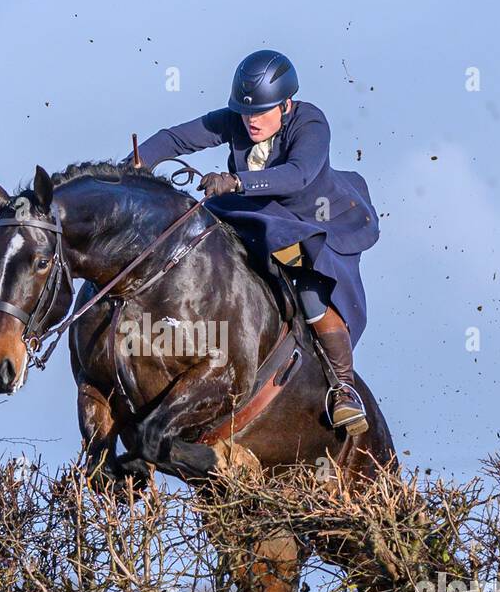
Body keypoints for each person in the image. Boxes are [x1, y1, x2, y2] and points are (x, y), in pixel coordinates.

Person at [131, 49, 378, 435]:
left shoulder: (311, 122)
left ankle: (344, 388)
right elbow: (174, 139)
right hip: (260, 214)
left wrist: (236, 182)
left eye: (261, 113)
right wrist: (133, 166)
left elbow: (297, 175)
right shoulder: (237, 120)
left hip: (316, 220)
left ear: (286, 105)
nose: (251, 122)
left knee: (311, 295)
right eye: (246, 114)